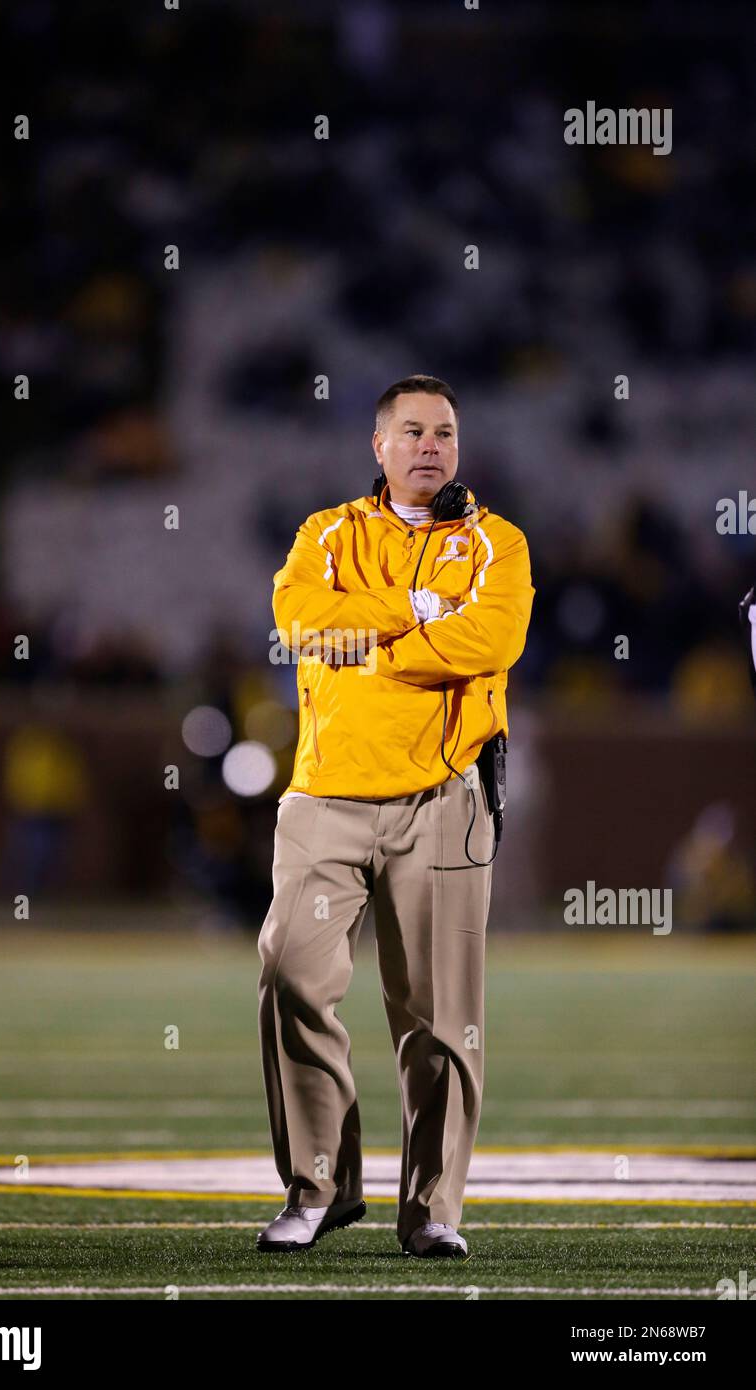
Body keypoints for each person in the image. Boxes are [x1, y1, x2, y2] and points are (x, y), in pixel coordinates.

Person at [256, 374, 534, 1257]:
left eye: (445, 432)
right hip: (325, 793)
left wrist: (374, 645)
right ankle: (319, 1187)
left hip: (442, 798)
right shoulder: (325, 532)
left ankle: (432, 1210)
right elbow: (301, 620)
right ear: (377, 446)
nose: (430, 446)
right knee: (291, 976)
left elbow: (487, 641)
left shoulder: (499, 542)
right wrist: (413, 613)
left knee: (442, 1020)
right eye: (412, 431)